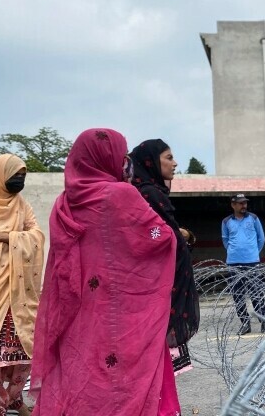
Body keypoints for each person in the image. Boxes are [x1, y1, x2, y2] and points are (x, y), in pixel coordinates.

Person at [31, 128, 181, 415]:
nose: (125, 161)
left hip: (78, 313)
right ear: (108, 157)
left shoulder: (64, 202)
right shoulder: (121, 195)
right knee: (123, 380)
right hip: (123, 314)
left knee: (81, 375)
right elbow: (160, 238)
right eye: (120, 154)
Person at [131, 139, 200, 374]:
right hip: (158, 291)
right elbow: (167, 240)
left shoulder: (141, 192)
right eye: (168, 158)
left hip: (147, 289)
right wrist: (186, 236)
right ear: (150, 161)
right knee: (157, 369)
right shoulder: (150, 194)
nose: (175, 163)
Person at [0, 154, 44, 416]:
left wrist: (3, 236)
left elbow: (36, 235)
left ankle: (13, 400)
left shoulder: (22, 206)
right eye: (15, 174)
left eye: (23, 175)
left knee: (22, 352)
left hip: (18, 294)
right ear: (0, 175)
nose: (20, 180)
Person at [221, 193, 265, 335]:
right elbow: (225, 240)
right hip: (233, 263)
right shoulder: (226, 221)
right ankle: (245, 323)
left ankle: (264, 322)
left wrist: (254, 253)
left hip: (252, 262)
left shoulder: (253, 218)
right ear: (233, 205)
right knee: (238, 295)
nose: (244, 206)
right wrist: (233, 252)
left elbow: (261, 238)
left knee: (257, 293)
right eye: (240, 203)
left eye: (245, 203)